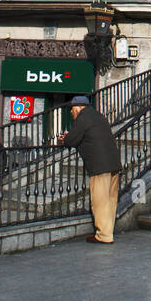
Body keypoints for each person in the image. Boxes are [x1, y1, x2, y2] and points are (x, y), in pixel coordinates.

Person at [57, 96, 121, 245]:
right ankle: (108, 231)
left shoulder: (83, 118)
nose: (71, 113)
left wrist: (63, 140)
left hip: (99, 165)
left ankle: (103, 235)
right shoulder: (97, 115)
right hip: (113, 163)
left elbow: (71, 140)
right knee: (111, 200)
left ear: (78, 107)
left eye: (72, 110)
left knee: (99, 202)